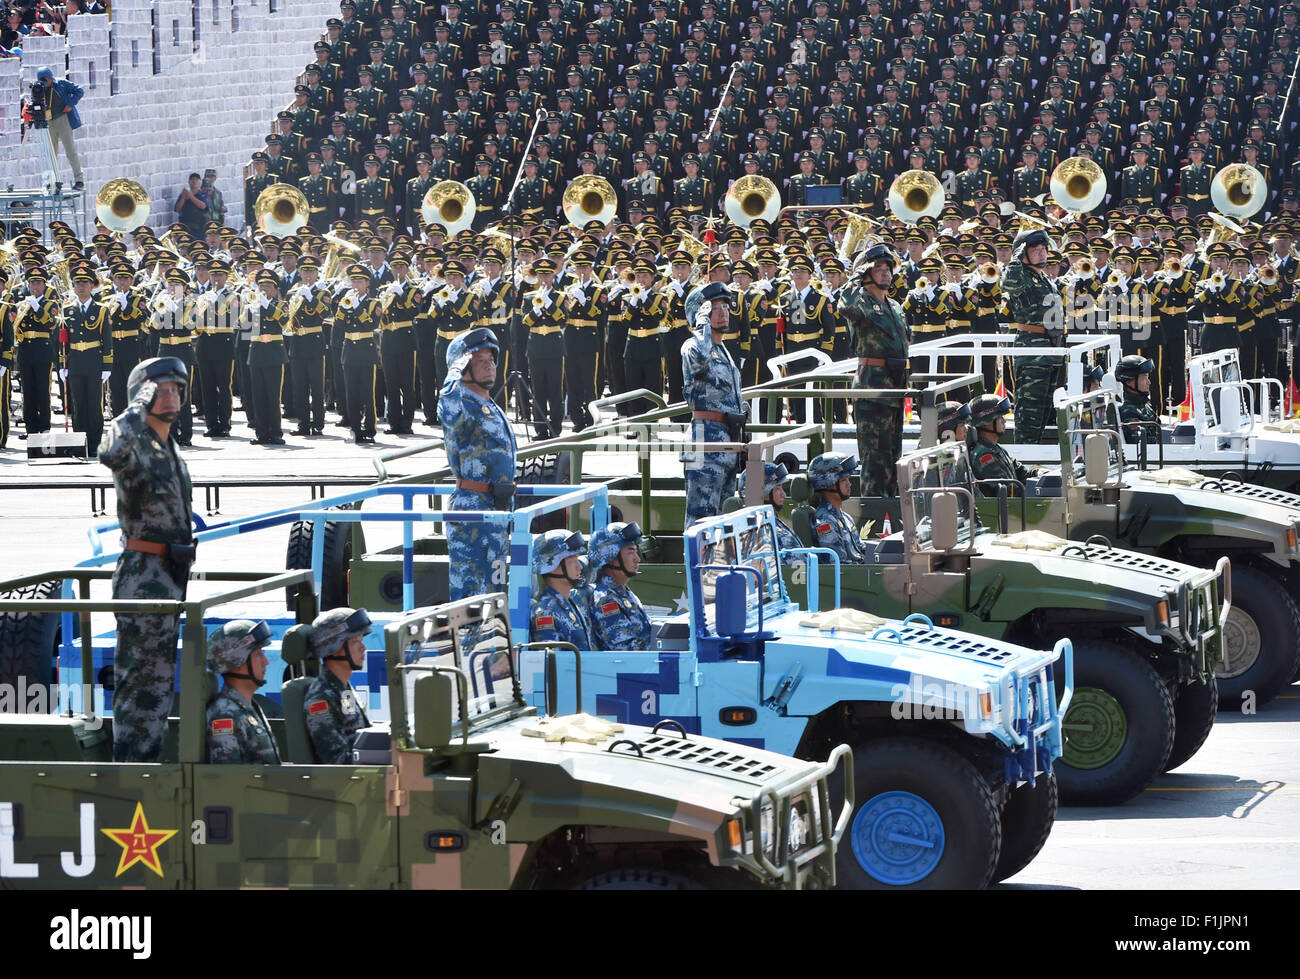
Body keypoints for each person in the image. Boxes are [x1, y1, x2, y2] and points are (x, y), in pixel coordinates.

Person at [99, 357, 194, 763]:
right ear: (142, 394)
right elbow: (108, 451)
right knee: (140, 683)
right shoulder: (131, 439)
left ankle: (147, 762)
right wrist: (136, 406)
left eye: (176, 388)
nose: (171, 395)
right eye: (161, 389)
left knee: (157, 684)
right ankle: (132, 769)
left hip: (168, 575)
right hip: (143, 577)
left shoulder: (168, 445)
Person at [439, 329, 516, 612]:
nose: (489, 364)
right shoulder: (460, 404)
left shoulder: (489, 406)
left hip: (497, 509)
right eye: (479, 359)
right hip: (473, 511)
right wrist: (456, 367)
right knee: (471, 599)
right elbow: (447, 406)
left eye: (491, 358)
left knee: (495, 594)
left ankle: (493, 651)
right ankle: (470, 650)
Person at [840, 243, 910, 497]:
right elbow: (845, 306)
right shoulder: (861, 302)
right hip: (872, 389)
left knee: (893, 457)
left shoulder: (895, 306)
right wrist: (857, 273)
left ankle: (891, 510)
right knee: (874, 461)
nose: (886, 273)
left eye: (888, 268)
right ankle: (873, 515)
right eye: (878, 268)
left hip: (894, 388)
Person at [682, 280, 744, 526]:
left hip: (726, 441)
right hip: (704, 441)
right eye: (714, 308)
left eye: (725, 307)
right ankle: (697, 565)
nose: (722, 313)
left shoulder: (723, 351)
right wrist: (702, 325)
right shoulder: (694, 345)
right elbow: (698, 359)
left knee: (723, 519)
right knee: (701, 519)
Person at [1004, 228, 1064, 444]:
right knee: (1029, 413)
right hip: (1033, 354)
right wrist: (1015, 258)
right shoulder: (1021, 277)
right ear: (1023, 254)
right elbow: (1008, 285)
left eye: (1043, 249)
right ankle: (1025, 457)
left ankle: (1035, 455)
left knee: (1044, 413)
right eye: (1035, 250)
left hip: (1051, 351)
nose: (1041, 253)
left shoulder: (1043, 278)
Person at [301, 607, 373, 763]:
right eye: (355, 642)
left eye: (361, 640)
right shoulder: (321, 699)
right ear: (333, 648)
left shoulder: (342, 687)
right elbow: (337, 762)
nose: (363, 648)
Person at [205, 619, 281, 765]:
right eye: (258, 654)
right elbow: (228, 780)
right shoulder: (225, 715)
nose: (266, 661)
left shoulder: (246, 707)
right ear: (237, 662)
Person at [586, 522, 652, 651]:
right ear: (611, 557)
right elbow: (625, 649)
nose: (637, 559)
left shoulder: (622, 592)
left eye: (636, 552)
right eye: (630, 552)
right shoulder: (606, 600)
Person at [531, 529, 594, 649]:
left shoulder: (568, 603)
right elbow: (552, 663)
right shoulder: (545, 612)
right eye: (573, 560)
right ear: (553, 566)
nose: (580, 566)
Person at [967, 394, 1037, 496]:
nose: (1004, 421)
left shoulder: (997, 449)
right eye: (999, 417)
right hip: (1006, 509)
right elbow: (1008, 491)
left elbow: (1021, 472)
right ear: (986, 422)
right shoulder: (982, 456)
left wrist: (1041, 474)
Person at [807, 452, 868, 564]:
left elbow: (861, 549)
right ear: (828, 483)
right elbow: (837, 565)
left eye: (848, 479)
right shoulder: (824, 523)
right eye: (843, 480)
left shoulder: (845, 517)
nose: (849, 484)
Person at [34, 67, 84, 190]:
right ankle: (54, 182)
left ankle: (79, 180)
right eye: (41, 79)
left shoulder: (61, 84)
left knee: (70, 150)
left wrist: (70, 104)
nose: (44, 82)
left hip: (62, 119)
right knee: (52, 154)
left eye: (45, 79)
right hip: (49, 122)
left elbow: (79, 91)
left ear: (50, 77)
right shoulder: (39, 90)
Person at [740, 461, 801, 555]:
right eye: (777, 489)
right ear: (763, 493)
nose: (784, 494)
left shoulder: (771, 522)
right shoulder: (761, 531)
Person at [1114, 355, 1161, 450]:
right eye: (1144, 377)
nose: (1149, 382)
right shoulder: (1129, 412)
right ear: (1129, 381)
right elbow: (1139, 446)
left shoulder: (1144, 406)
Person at [174, 173, 210, 240]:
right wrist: (183, 198)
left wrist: (190, 196)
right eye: (192, 179)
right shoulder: (183, 195)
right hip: (186, 228)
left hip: (199, 229)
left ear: (200, 182)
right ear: (189, 182)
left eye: (197, 179)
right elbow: (177, 209)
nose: (194, 181)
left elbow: (203, 206)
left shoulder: (203, 195)